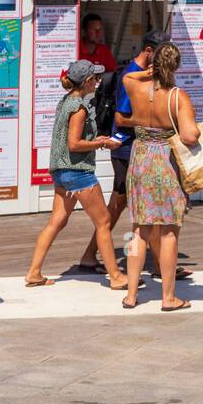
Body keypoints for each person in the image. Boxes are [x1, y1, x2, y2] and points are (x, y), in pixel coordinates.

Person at [24, 60, 128, 289]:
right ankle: (116, 277)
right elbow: (74, 144)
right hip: (78, 172)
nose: (99, 82)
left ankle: (34, 272)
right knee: (104, 222)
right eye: (96, 79)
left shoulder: (65, 101)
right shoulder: (79, 108)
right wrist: (100, 143)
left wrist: (95, 142)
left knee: (56, 222)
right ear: (88, 81)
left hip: (61, 171)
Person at [77, 31, 173, 274]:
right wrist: (155, 121)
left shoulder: (145, 74)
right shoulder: (131, 76)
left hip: (135, 149)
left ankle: (160, 264)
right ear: (149, 52)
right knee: (123, 207)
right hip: (126, 150)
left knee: (139, 208)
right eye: (160, 55)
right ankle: (91, 255)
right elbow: (121, 118)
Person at [121, 42, 199, 311]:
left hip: (140, 156)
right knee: (168, 231)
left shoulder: (135, 86)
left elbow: (127, 76)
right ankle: (168, 297)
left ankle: (131, 294)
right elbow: (189, 136)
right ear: (176, 66)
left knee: (138, 230)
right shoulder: (179, 96)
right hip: (165, 160)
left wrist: (149, 73)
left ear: (153, 62)